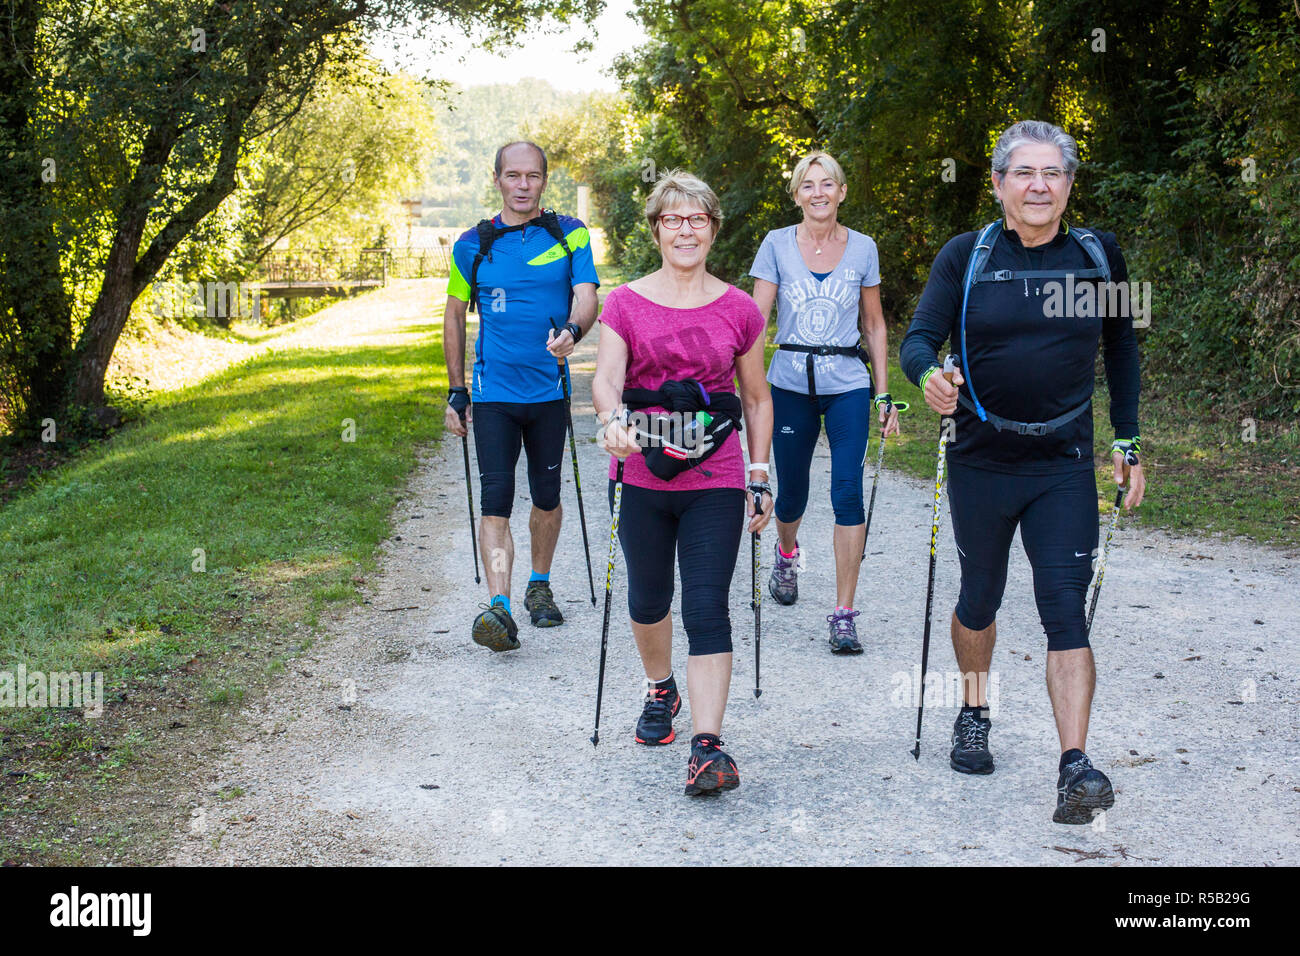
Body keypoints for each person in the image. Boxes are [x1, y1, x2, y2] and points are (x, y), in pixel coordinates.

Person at [900, 120, 1146, 824]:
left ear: (1069, 183)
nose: (1040, 186)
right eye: (1025, 173)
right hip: (981, 457)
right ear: (1000, 182)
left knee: (1064, 609)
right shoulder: (968, 256)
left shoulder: (1098, 257)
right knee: (979, 598)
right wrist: (927, 378)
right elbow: (920, 338)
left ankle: (1075, 767)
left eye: (1054, 173)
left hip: (1063, 462)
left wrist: (1128, 442)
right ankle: (974, 711)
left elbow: (1122, 349)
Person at [592, 169, 773, 796]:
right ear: (656, 230)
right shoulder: (625, 302)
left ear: (714, 229)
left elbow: (755, 398)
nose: (686, 229)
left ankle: (707, 745)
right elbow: (606, 379)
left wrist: (758, 473)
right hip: (641, 471)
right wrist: (613, 419)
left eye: (697, 218)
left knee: (705, 604)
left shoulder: (740, 308)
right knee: (648, 602)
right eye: (673, 219)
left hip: (716, 476)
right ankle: (659, 687)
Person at [443, 141, 599, 651]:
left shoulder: (569, 232)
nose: (523, 185)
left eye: (533, 176)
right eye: (513, 176)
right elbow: (453, 317)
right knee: (496, 503)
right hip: (493, 395)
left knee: (547, 497)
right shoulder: (473, 244)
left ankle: (539, 584)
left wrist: (574, 331)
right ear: (498, 181)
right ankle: (500, 606)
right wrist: (457, 391)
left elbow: (587, 294)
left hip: (549, 392)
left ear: (544, 180)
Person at [749, 150, 900, 654]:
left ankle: (843, 613)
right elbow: (755, 321)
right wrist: (747, 386)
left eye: (827, 184)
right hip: (790, 382)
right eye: (808, 185)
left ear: (841, 192)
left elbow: (875, 324)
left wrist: (884, 392)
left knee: (847, 491)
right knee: (791, 494)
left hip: (847, 381)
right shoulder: (775, 244)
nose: (819, 193)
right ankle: (787, 553)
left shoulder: (863, 248)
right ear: (797, 195)